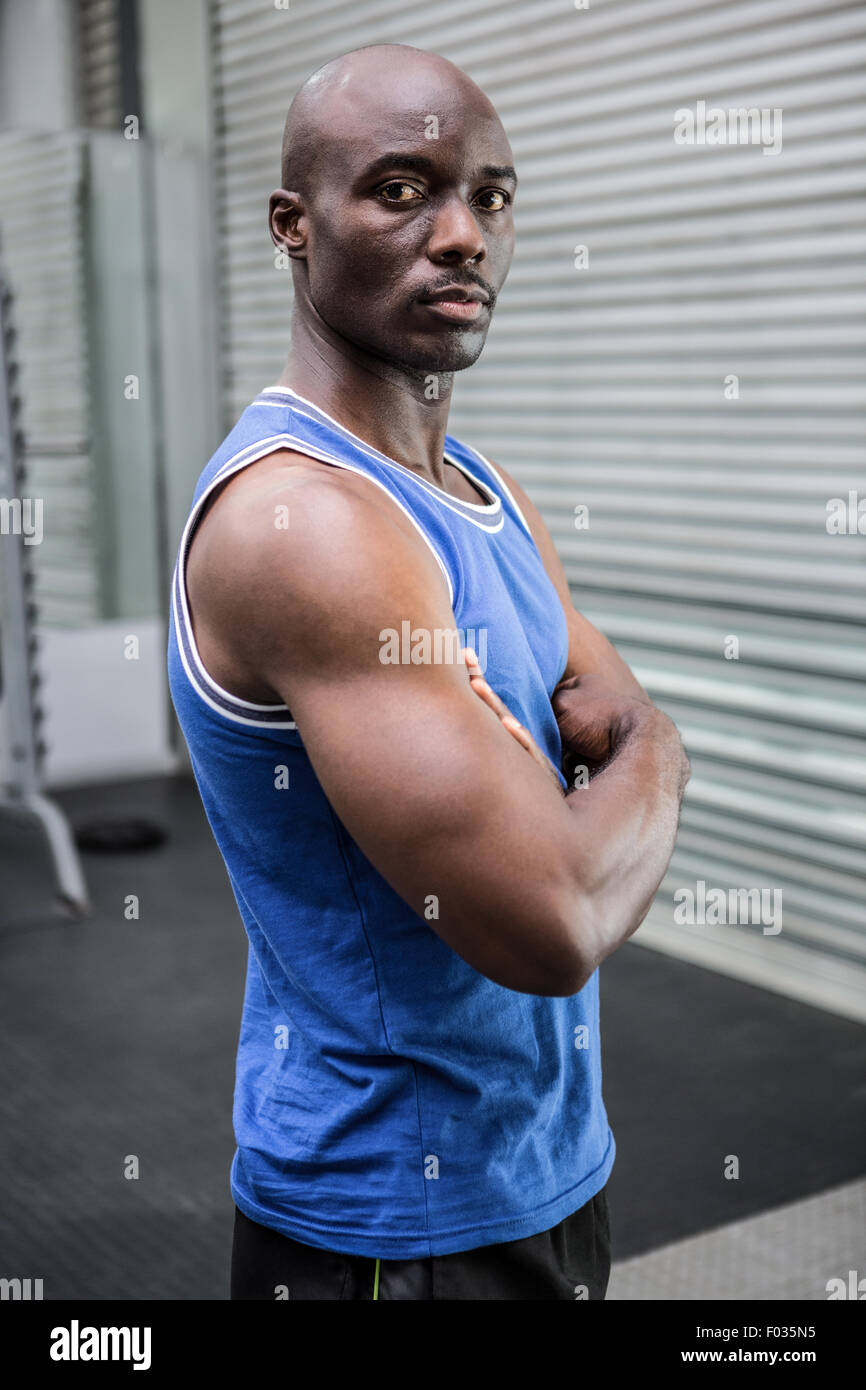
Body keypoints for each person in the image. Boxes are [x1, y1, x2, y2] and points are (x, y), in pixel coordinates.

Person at [166, 41, 690, 1301]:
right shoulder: (311, 528)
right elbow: (552, 919)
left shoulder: (483, 493)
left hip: (548, 1165)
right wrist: (664, 748)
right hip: (395, 1222)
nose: (461, 234)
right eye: (402, 189)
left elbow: (595, 760)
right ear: (293, 225)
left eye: (490, 197)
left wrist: (614, 768)